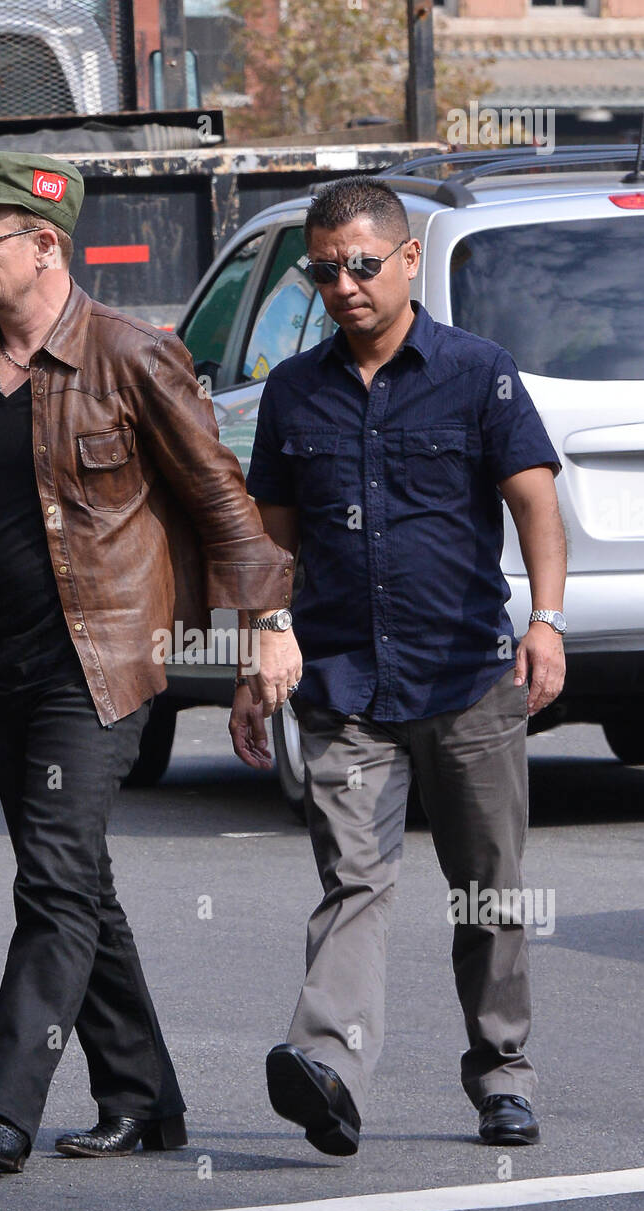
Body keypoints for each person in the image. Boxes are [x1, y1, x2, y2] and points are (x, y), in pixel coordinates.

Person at [0, 150, 301, 1173]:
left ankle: (4, 1108)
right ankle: (144, 1097)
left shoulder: (133, 357)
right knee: (80, 883)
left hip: (101, 664)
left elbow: (221, 501)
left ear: (44, 245)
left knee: (52, 884)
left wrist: (265, 631)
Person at [230, 175, 566, 1155]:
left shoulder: (478, 372)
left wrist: (543, 620)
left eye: (361, 266)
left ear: (408, 259)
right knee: (353, 881)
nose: (342, 286)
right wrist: (264, 634)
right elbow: (270, 536)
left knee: (488, 890)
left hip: (467, 678)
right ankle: (328, 1066)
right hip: (344, 686)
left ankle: (502, 1071)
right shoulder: (293, 390)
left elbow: (534, 504)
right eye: (322, 271)